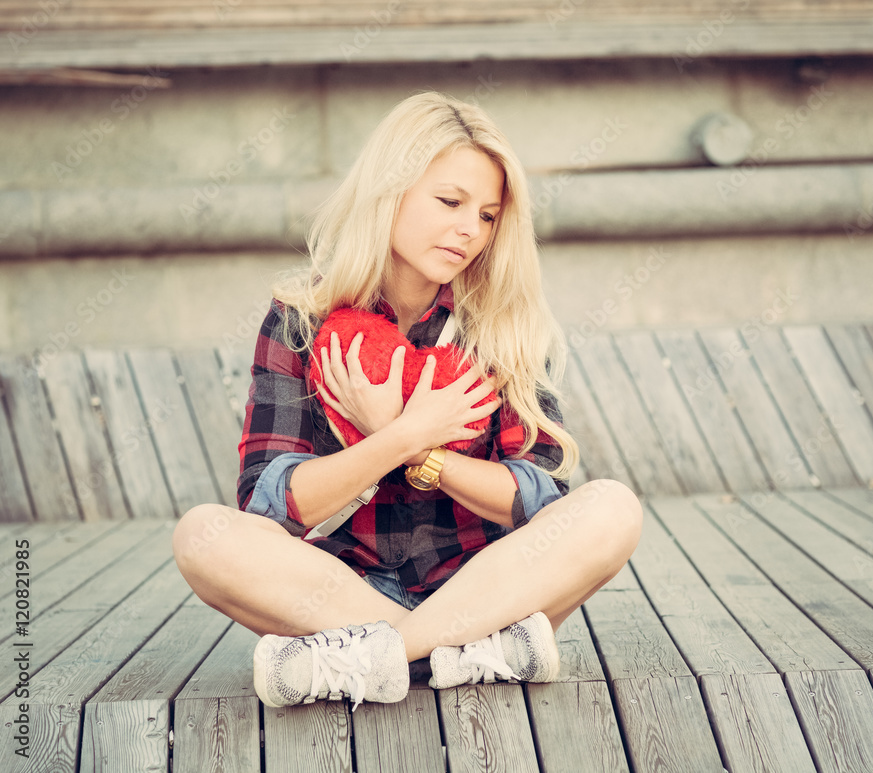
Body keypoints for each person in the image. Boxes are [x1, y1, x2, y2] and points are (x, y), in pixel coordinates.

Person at [172, 91, 643, 710]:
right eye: (450, 202)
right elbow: (273, 506)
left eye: (488, 215)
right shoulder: (300, 320)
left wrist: (428, 454)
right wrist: (394, 435)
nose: (469, 230)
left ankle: (374, 660)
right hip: (341, 592)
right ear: (388, 191)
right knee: (201, 535)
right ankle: (469, 656)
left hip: (481, 588)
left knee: (613, 508)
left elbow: (534, 499)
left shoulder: (508, 326)